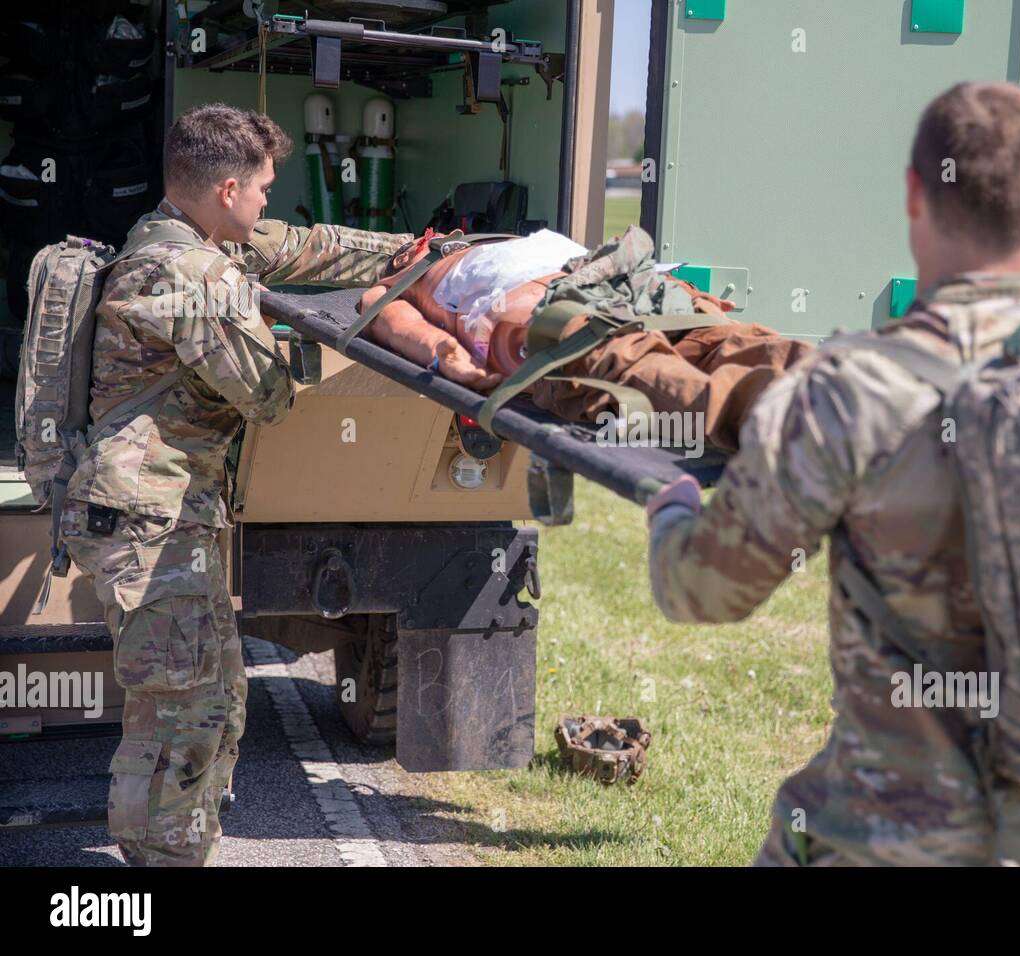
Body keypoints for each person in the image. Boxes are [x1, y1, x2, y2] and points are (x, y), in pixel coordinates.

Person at [644, 81, 1020, 866]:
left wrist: (672, 512)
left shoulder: (850, 391)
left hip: (887, 836)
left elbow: (701, 589)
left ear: (913, 194)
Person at [59, 103, 412, 866]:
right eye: (262, 189)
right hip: (151, 521)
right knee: (180, 717)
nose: (265, 202)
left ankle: (179, 851)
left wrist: (408, 255)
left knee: (214, 701)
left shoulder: (168, 239)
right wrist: (290, 327)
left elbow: (296, 247)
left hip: (167, 518)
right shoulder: (197, 275)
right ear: (227, 190)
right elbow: (268, 396)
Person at [359, 225, 812, 452]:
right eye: (406, 246)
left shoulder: (501, 240)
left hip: (628, 283)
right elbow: (388, 319)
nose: (421, 238)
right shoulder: (401, 282)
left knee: (726, 341)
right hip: (550, 316)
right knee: (625, 364)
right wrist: (449, 358)